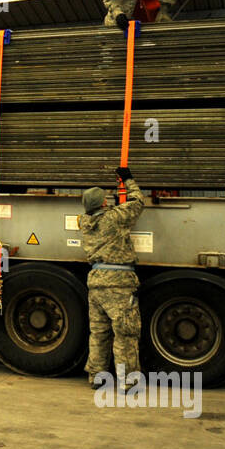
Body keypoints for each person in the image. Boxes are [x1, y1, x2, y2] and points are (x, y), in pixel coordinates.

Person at [81, 166, 145, 388]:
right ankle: (127, 380)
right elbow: (138, 203)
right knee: (125, 333)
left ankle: (96, 377)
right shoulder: (115, 218)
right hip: (118, 284)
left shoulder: (85, 224)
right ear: (104, 204)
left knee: (98, 333)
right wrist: (128, 180)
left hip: (96, 282)